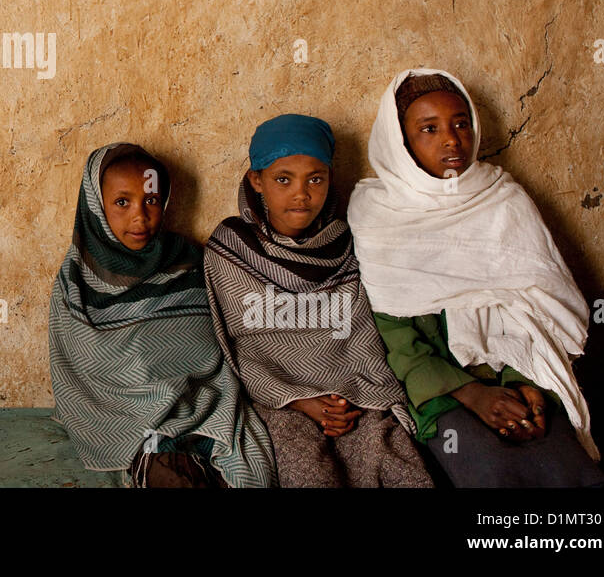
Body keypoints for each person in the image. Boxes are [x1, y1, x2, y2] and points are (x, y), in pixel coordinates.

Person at [349, 69, 604, 487]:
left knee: (569, 469)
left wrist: (526, 387)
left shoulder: (503, 199)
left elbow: (545, 311)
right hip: (441, 391)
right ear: (401, 144)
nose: (451, 140)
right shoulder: (378, 217)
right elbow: (397, 339)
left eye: (461, 123)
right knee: (486, 469)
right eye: (429, 129)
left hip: (524, 370)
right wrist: (473, 394)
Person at [205, 115, 432, 487]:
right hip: (277, 401)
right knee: (305, 468)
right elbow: (242, 347)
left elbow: (361, 335)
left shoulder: (348, 243)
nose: (301, 193)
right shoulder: (232, 248)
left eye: (315, 178)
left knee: (391, 459)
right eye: (283, 179)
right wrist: (298, 400)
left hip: (355, 394)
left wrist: (344, 400)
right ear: (256, 180)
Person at [49, 142, 276, 488]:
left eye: (151, 200)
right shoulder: (78, 281)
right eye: (122, 202)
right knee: (162, 459)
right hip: (128, 416)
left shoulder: (186, 260)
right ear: (95, 205)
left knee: (239, 461)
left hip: (202, 404)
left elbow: (211, 341)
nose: (140, 216)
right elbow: (80, 367)